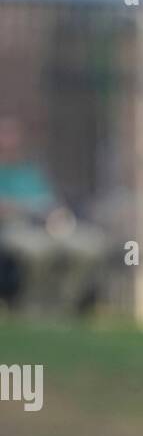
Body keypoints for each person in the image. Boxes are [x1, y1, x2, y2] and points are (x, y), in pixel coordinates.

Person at [0, 116, 106, 313]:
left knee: (90, 248)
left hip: (48, 226)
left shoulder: (30, 171)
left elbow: (50, 201)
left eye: (13, 135)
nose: (9, 141)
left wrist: (56, 213)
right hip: (15, 229)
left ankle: (66, 303)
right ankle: (32, 305)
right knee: (40, 252)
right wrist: (21, 208)